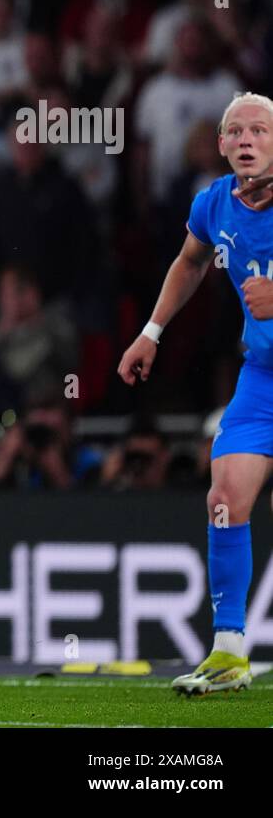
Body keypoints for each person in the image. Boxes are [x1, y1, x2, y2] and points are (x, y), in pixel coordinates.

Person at [117, 92, 273, 696]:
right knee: (226, 496)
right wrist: (151, 332)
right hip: (260, 380)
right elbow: (189, 261)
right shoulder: (214, 203)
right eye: (234, 131)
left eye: (259, 129)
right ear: (220, 145)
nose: (246, 139)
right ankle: (230, 652)